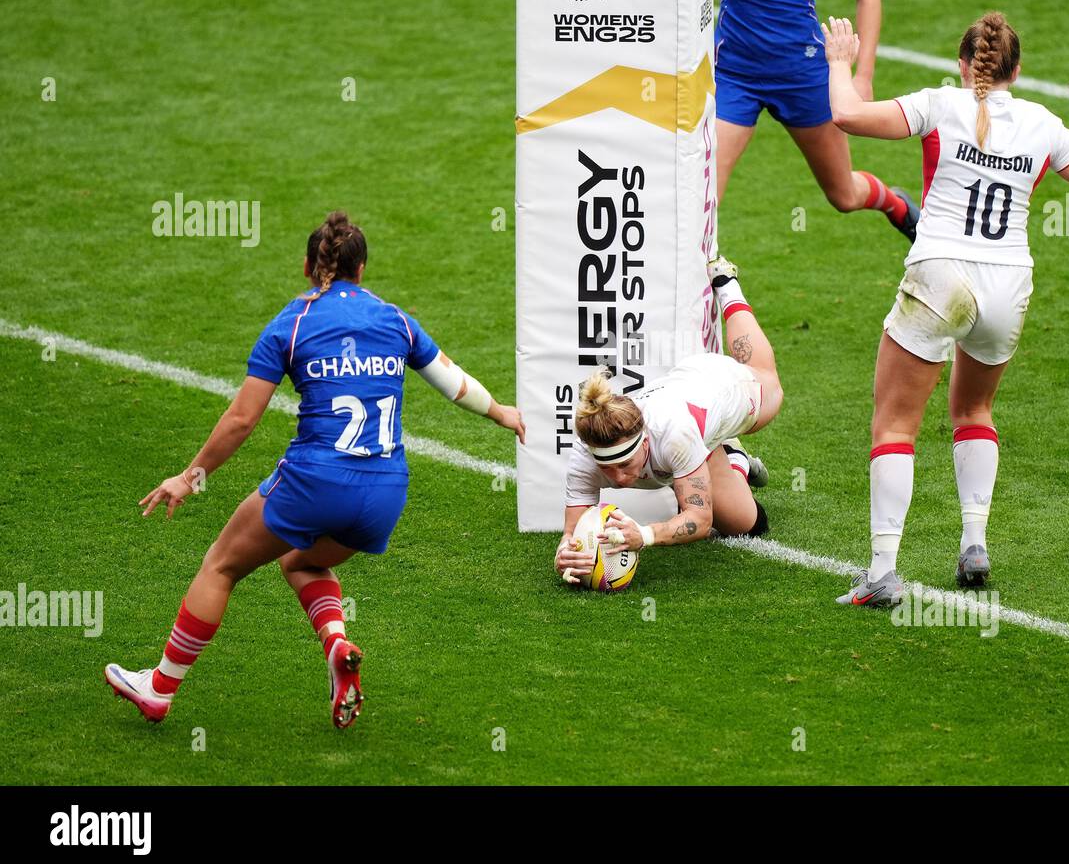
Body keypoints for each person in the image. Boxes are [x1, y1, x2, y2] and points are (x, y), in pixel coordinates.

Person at [105, 211, 525, 727]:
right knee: (301, 561)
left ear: (307, 266)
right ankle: (336, 642)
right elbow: (453, 382)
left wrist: (188, 478)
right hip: (384, 494)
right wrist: (504, 413)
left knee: (221, 565)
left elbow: (240, 420)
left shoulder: (293, 322)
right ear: (362, 269)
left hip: (315, 481)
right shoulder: (396, 320)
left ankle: (160, 688)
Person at [821, 12, 1069, 606]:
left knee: (894, 425)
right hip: (1008, 284)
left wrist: (840, 59)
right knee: (974, 408)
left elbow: (847, 116)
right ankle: (974, 541)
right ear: (1016, 71)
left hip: (940, 272)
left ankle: (883, 573)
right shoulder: (1043, 123)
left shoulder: (940, 103)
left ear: (964, 65)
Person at [553, 257, 781, 582]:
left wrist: (643, 535)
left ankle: (727, 284)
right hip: (690, 418)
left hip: (723, 386)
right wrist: (567, 554)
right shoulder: (584, 454)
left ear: (645, 440)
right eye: (607, 467)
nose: (617, 478)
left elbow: (699, 521)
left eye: (626, 464)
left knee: (767, 378)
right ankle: (734, 459)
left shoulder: (674, 434)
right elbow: (572, 531)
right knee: (748, 525)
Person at [713, 0, 919, 238]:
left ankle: (896, 205)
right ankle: (707, 281)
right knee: (705, 194)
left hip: (803, 76)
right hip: (733, 75)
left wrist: (862, 76)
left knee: (844, 196)